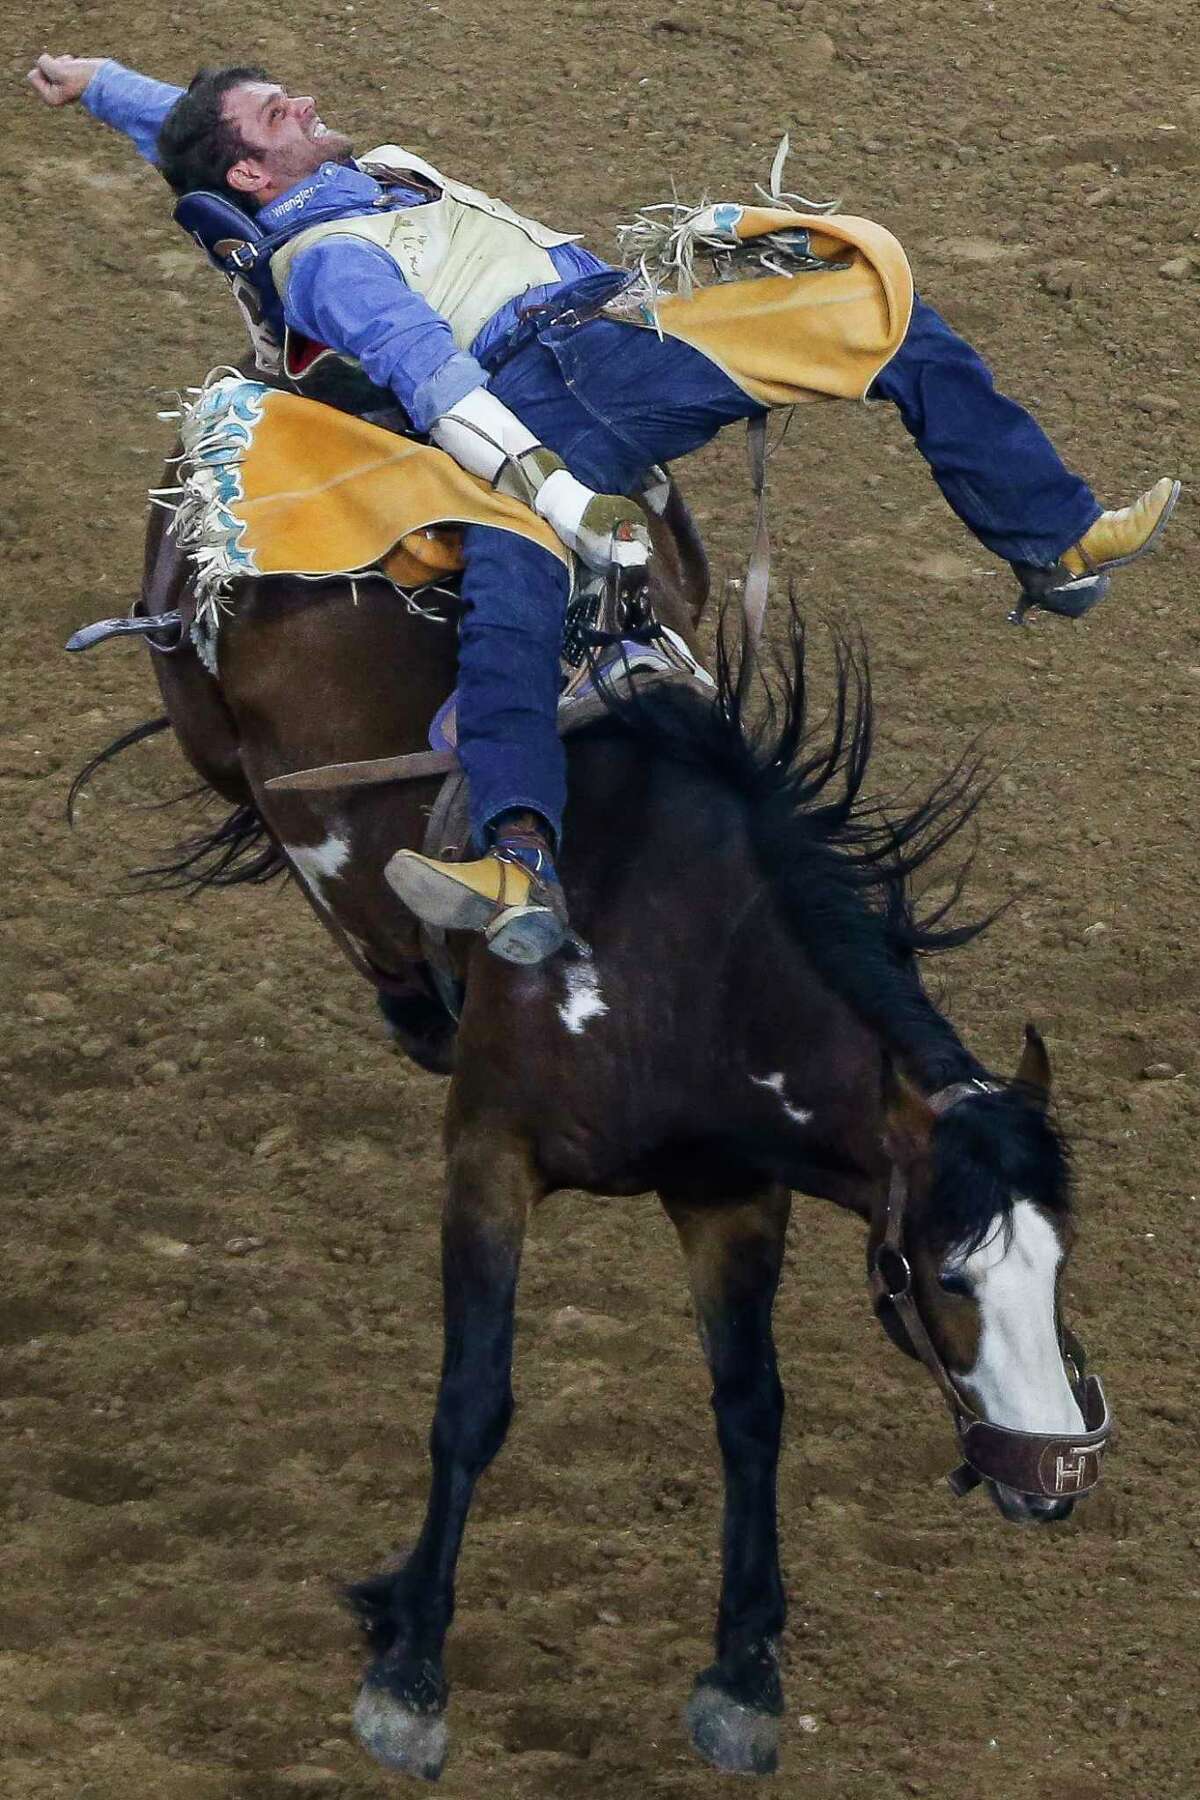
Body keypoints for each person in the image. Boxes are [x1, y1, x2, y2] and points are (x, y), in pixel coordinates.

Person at [29, 53, 1179, 966]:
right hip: (540, 391)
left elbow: (186, 125)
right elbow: (441, 381)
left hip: (626, 333)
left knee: (879, 311)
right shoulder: (324, 258)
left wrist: (96, 83)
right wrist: (551, 491)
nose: (308, 102)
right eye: (281, 113)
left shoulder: (351, 177)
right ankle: (517, 851)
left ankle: (1052, 539)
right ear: (250, 177)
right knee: (520, 568)